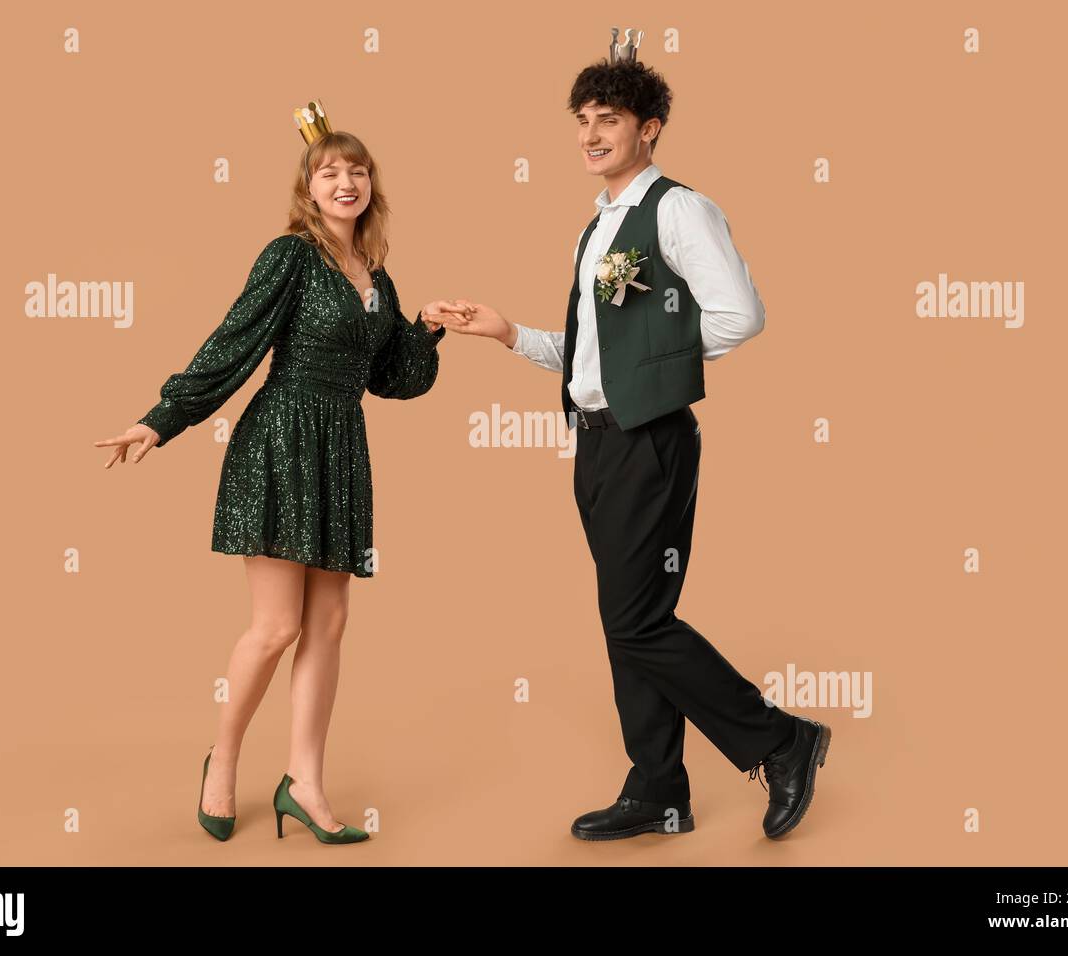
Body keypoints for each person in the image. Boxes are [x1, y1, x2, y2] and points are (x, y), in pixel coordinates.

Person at [439, 44, 832, 840]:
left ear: (649, 128)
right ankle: (659, 789)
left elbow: (740, 315)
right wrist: (508, 333)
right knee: (629, 619)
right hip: (593, 442)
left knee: (638, 622)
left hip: (648, 441)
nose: (591, 134)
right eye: (582, 121)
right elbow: (594, 353)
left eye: (608, 120)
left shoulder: (679, 210)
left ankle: (781, 740)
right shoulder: (596, 228)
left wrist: (657, 370)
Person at [94, 109, 466, 846]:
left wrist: (422, 326)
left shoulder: (377, 276)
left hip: (340, 445)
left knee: (329, 623)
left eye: (357, 170)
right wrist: (161, 418)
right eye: (330, 172)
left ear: (372, 185)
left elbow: (391, 378)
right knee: (276, 628)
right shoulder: (291, 257)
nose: (345, 181)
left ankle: (305, 783)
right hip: (281, 441)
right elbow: (233, 340)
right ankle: (222, 763)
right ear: (309, 187)